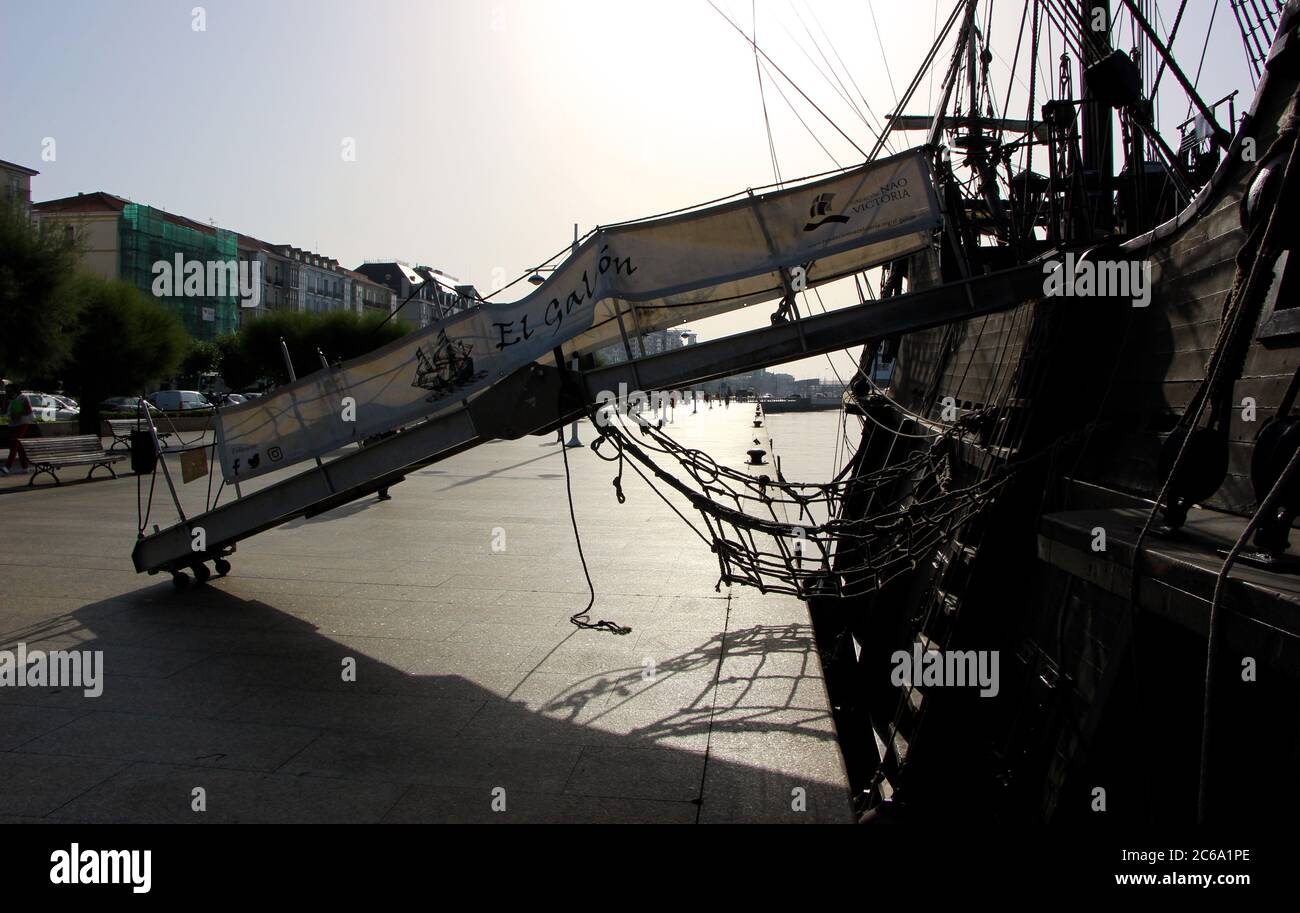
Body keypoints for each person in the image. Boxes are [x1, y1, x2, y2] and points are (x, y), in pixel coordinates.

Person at [2, 384, 34, 476]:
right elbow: (4, 412)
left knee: (14, 444)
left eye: (9, 390)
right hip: (12, 424)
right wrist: (5, 401)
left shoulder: (22, 397)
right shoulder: (11, 399)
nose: (8, 392)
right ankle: (25, 467)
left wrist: (17, 414)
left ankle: (7, 467)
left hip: (22, 424)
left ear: (15, 390)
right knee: (19, 447)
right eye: (7, 391)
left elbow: (28, 411)